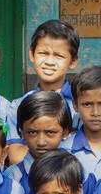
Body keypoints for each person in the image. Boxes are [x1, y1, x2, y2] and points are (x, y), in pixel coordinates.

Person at [5, 19, 81, 161]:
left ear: (73, 61)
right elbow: (16, 156)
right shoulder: (18, 105)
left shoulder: (80, 106)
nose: (49, 62)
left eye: (58, 56)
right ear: (31, 54)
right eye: (43, 53)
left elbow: (84, 155)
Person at [7, 90, 74, 194]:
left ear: (65, 132)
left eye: (50, 132)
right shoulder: (12, 177)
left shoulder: (75, 173)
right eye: (33, 132)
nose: (41, 142)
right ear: (22, 132)